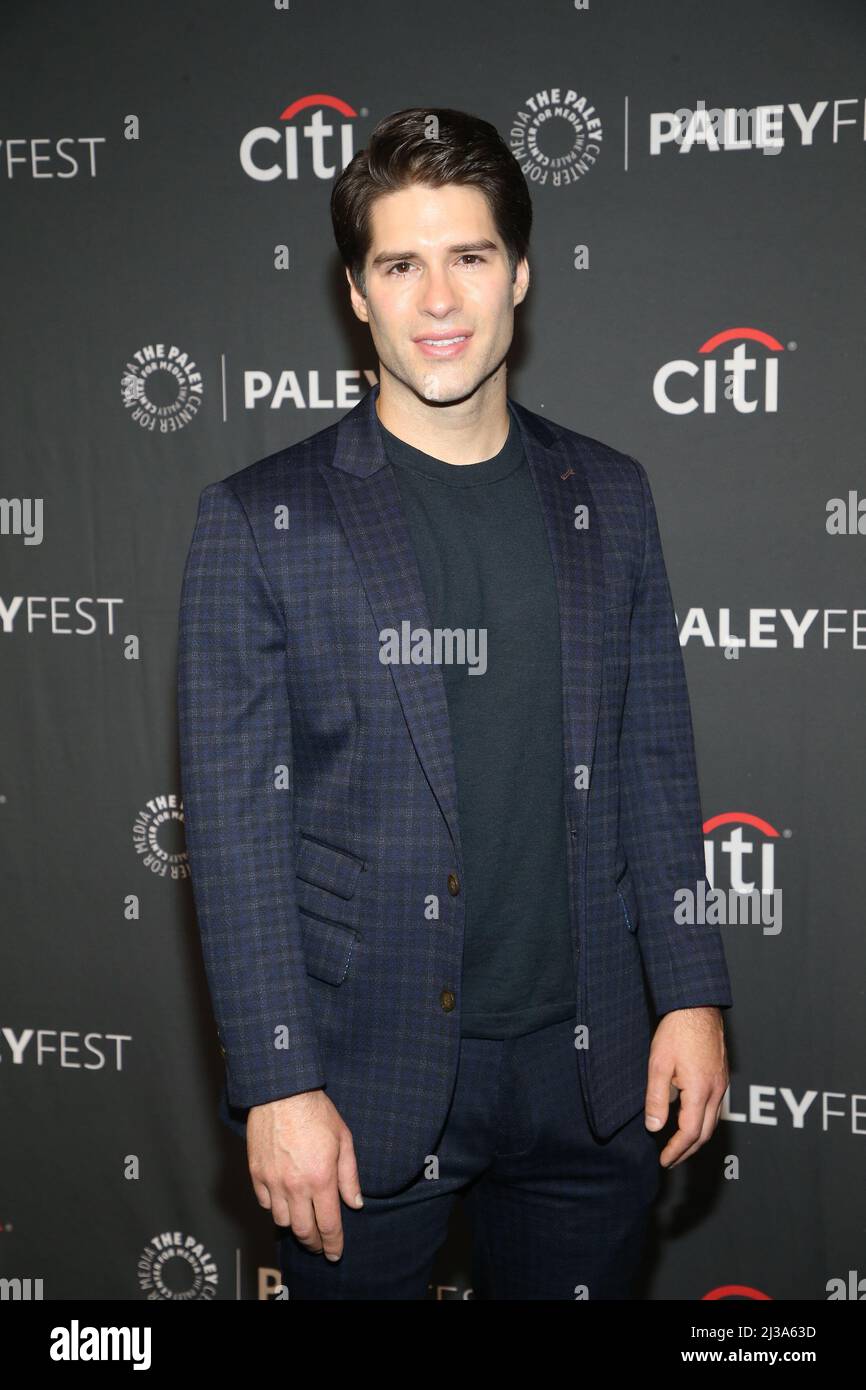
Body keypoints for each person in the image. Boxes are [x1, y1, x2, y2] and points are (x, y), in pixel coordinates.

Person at [176, 107, 733, 1300]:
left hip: (590, 1079)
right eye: (400, 263)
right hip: (360, 1083)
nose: (438, 298)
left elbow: (653, 758)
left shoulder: (612, 496)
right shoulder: (264, 519)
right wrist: (277, 1084)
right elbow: (230, 833)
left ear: (519, 275)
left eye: (468, 256)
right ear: (356, 293)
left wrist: (687, 991)